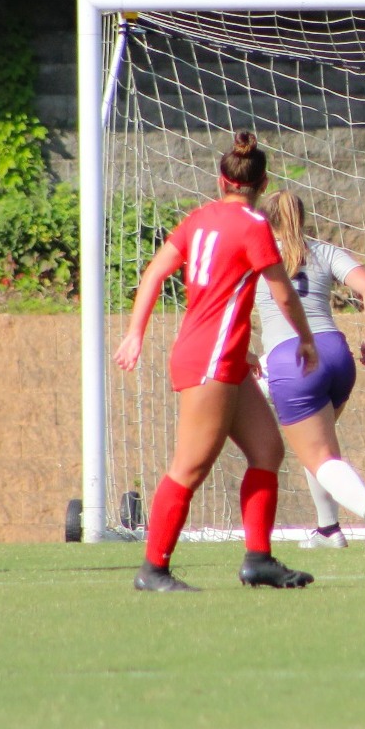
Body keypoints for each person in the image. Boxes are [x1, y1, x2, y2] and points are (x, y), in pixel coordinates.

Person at [113, 132, 320, 592]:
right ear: (263, 183)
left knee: (267, 450)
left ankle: (259, 560)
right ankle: (153, 569)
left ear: (219, 181)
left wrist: (135, 332)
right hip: (209, 358)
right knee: (190, 466)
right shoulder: (254, 225)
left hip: (216, 353)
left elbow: (154, 273)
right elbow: (282, 292)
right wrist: (306, 340)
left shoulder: (199, 219)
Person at [254, 189, 365, 551]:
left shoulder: (256, 254)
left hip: (293, 359)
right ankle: (328, 529)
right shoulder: (325, 250)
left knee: (317, 454)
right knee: (317, 448)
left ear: (264, 220)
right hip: (336, 354)